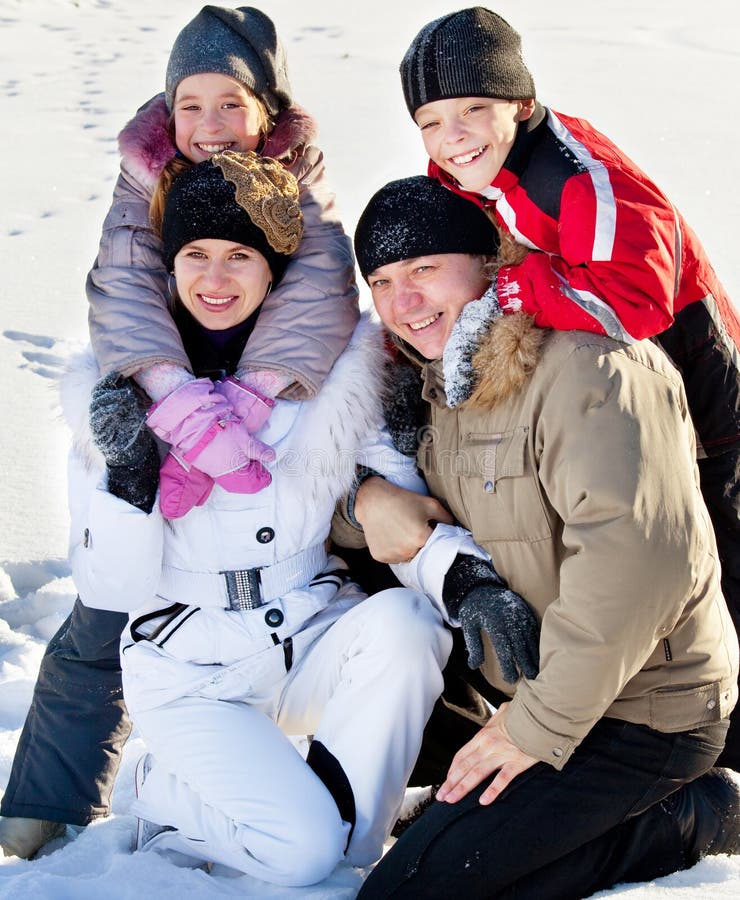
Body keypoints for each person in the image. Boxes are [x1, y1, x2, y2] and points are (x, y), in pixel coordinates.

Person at [53, 153, 540, 884]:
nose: (215, 280)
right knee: (304, 853)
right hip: (192, 668)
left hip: (306, 627)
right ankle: (162, 789)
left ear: (272, 269)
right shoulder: (118, 389)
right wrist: (129, 475)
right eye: (196, 256)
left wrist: (464, 578)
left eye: (239, 256)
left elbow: (393, 513)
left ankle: (351, 842)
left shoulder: (332, 379)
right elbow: (109, 585)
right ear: (170, 267)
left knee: (407, 628)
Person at [0, 4, 359, 859]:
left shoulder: (298, 176)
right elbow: (121, 291)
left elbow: (319, 289)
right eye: (189, 104)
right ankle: (46, 800)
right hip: (170, 393)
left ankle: (380, 774)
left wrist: (254, 397)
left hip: (267, 402)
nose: (208, 125)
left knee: (351, 581)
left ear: (265, 109)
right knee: (117, 594)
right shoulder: (145, 173)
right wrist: (174, 399)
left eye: (229, 103)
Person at [339, 175, 740, 899]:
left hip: (645, 711)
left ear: (488, 261)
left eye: (426, 269)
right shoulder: (440, 382)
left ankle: (693, 816)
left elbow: (640, 570)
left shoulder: (585, 366)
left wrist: (530, 729)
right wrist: (368, 498)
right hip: (548, 689)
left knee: (413, 893)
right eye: (384, 281)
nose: (404, 302)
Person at [399, 7, 740, 769]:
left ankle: (719, 762)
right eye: (431, 121)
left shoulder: (581, 180)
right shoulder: (468, 165)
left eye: (473, 111)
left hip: (695, 375)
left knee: (711, 549)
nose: (453, 137)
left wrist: (516, 292)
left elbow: (632, 302)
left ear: (520, 104)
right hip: (611, 382)